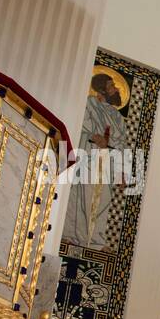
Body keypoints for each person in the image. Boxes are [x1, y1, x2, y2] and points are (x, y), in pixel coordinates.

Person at [64, 72, 129, 249]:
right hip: (89, 157)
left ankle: (97, 239)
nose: (115, 89)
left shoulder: (117, 117)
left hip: (108, 162)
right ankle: (76, 237)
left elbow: (121, 142)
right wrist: (94, 136)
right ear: (101, 91)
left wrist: (122, 171)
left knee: (103, 201)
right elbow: (82, 125)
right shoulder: (89, 104)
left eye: (115, 86)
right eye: (111, 87)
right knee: (84, 199)